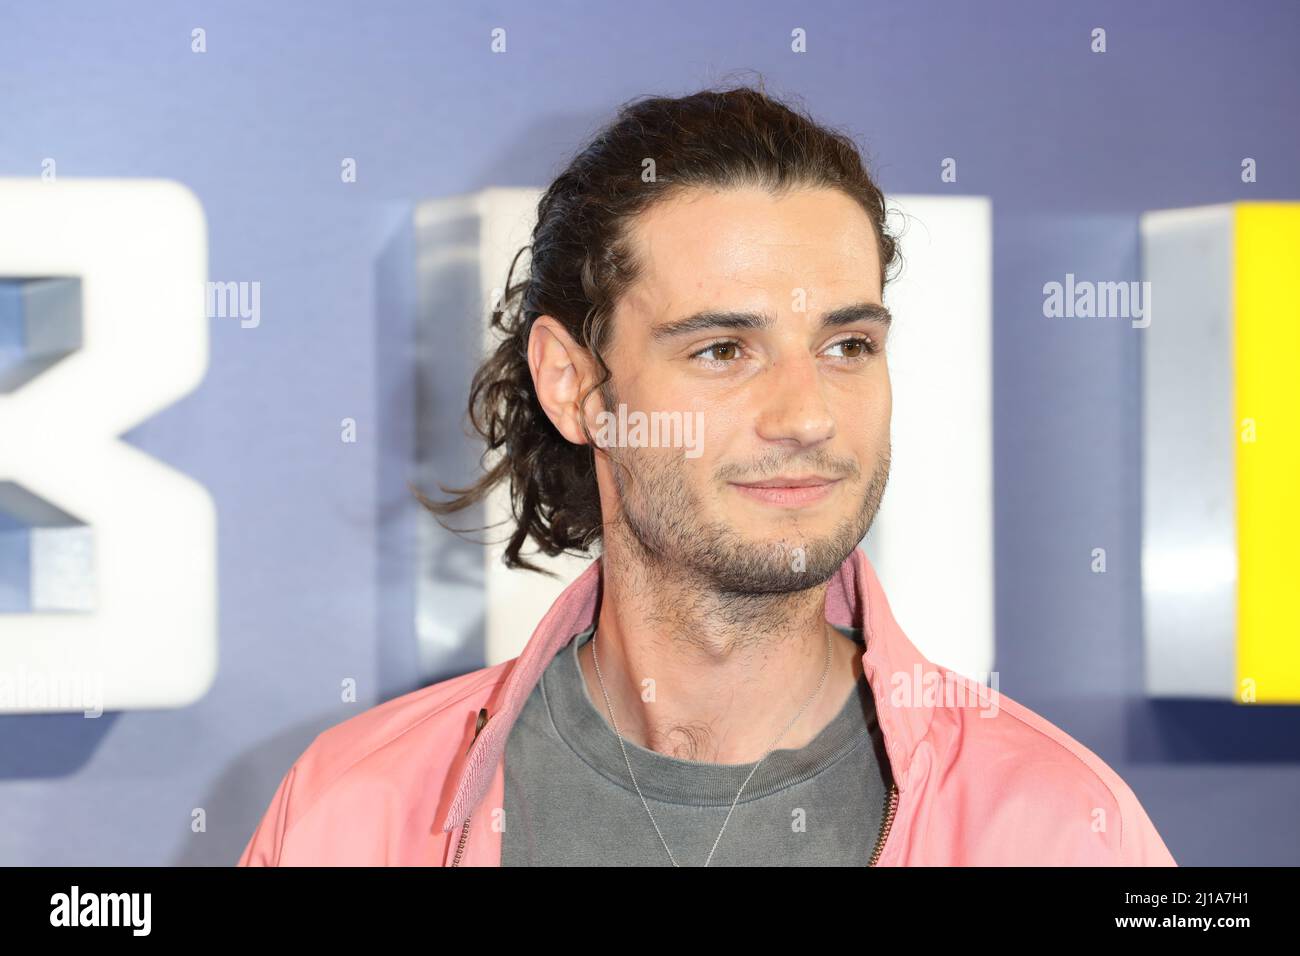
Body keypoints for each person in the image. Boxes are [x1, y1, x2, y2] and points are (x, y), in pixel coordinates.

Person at [238, 82, 1176, 866]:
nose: (807, 416)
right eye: (725, 351)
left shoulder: (1061, 829)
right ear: (574, 386)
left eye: (848, 344)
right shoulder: (351, 815)